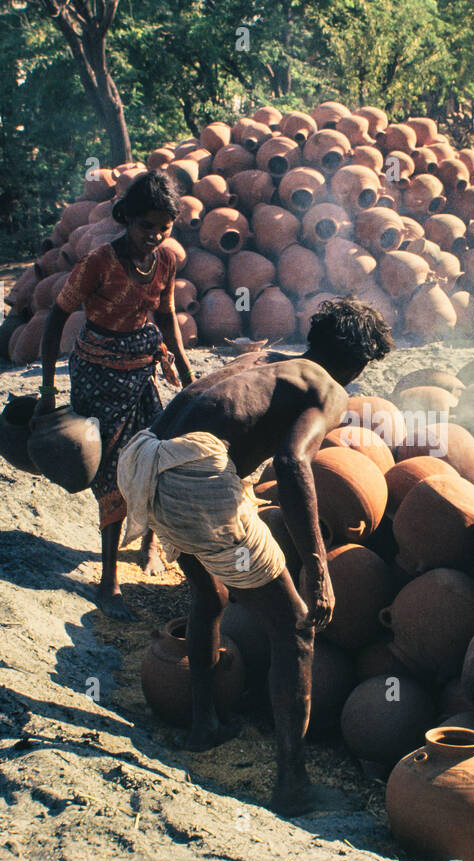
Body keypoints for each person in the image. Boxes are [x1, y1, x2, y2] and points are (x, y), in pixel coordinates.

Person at [115, 298, 394, 815]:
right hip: (192, 481)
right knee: (294, 627)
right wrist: (317, 568)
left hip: (144, 463)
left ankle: (204, 726)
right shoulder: (326, 388)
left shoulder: (267, 363)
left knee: (210, 591)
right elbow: (293, 464)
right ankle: (293, 786)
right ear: (357, 364)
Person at [36, 172, 195, 621]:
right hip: (97, 373)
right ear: (125, 219)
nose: (155, 236)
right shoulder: (97, 263)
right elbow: (55, 318)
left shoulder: (165, 260)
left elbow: (164, 315)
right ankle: (108, 582)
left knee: (152, 456)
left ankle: (148, 548)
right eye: (147, 226)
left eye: (164, 227)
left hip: (141, 368)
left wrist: (183, 371)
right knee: (112, 476)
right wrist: (48, 388)